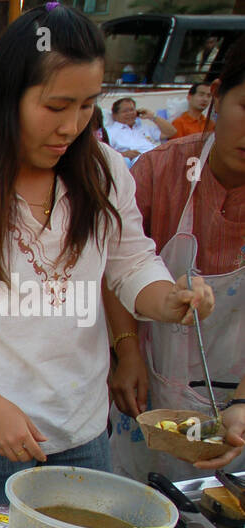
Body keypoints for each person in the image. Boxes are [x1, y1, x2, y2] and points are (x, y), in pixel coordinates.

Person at [0, 3, 213, 509]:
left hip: (85, 431)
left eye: (87, 106)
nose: (72, 126)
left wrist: (167, 299)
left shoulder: (104, 170)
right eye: (56, 106)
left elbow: (131, 264)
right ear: (6, 96)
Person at [107, 36, 245, 481]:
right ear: (219, 96)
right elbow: (113, 266)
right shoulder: (160, 170)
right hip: (148, 390)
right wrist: (125, 353)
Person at [107, 97, 175, 159]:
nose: (130, 113)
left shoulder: (144, 128)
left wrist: (152, 117)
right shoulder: (109, 132)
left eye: (132, 110)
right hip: (134, 162)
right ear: (115, 116)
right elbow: (104, 154)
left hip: (156, 157)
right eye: (125, 111)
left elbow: (171, 132)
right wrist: (122, 154)